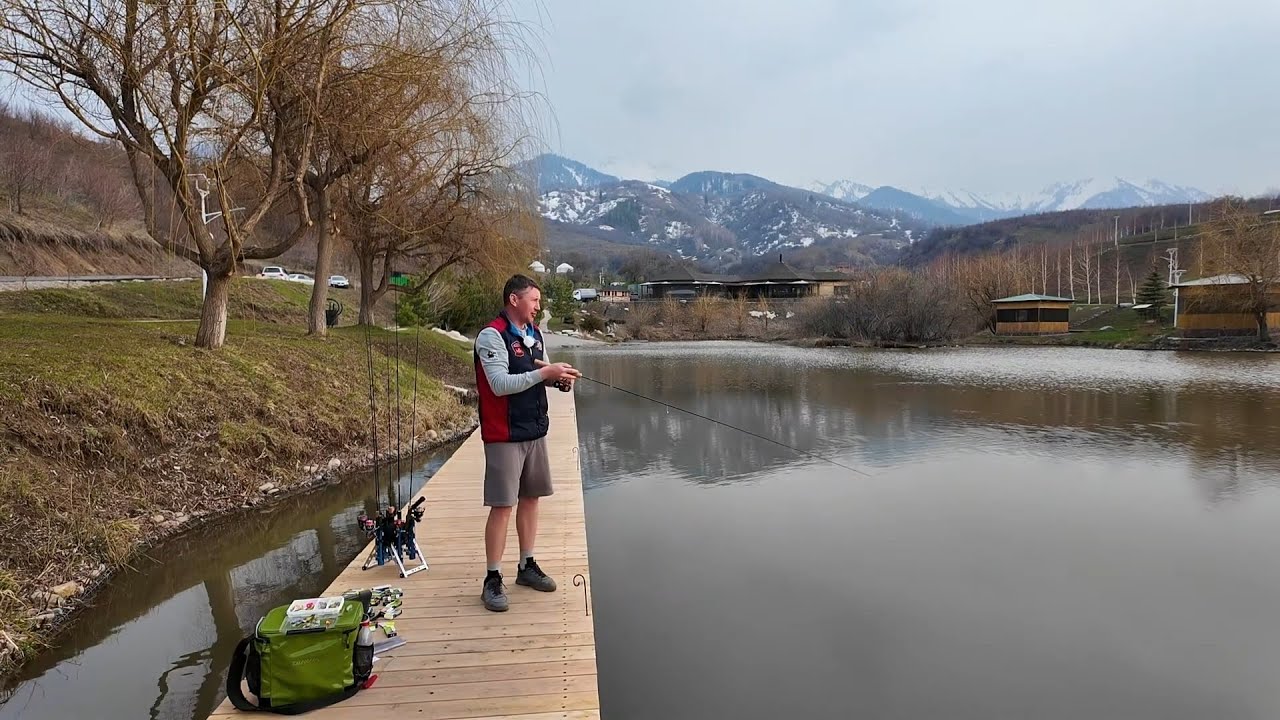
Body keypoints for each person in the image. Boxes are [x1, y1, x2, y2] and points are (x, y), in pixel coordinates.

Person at [472, 274, 580, 612]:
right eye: (534, 301)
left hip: (534, 431)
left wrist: (555, 381)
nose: (538, 307)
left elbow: (536, 373)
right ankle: (492, 578)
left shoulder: (532, 334)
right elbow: (500, 384)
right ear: (514, 300)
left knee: (531, 499)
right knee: (503, 506)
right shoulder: (492, 335)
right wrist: (544, 374)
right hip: (504, 434)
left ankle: (526, 566)